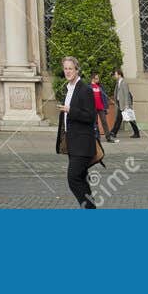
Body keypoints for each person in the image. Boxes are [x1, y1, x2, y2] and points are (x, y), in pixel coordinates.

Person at [57, 55, 98, 208]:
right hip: (72, 143)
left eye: (70, 69)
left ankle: (90, 209)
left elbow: (90, 116)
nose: (67, 71)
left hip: (83, 143)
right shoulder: (69, 89)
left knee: (73, 178)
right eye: (65, 68)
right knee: (81, 178)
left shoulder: (85, 89)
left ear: (77, 70)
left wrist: (70, 110)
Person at [113, 69, 139, 140]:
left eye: (115, 74)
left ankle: (113, 132)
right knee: (120, 118)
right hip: (120, 103)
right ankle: (114, 132)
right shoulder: (118, 82)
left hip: (124, 103)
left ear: (119, 75)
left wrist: (127, 105)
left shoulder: (124, 83)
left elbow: (126, 94)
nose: (114, 76)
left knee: (130, 118)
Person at [89, 72, 109, 139]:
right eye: (97, 78)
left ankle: (108, 136)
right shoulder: (89, 87)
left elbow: (104, 97)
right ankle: (97, 136)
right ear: (93, 79)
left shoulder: (100, 87)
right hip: (93, 108)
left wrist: (106, 107)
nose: (98, 80)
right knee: (95, 122)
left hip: (101, 107)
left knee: (104, 121)